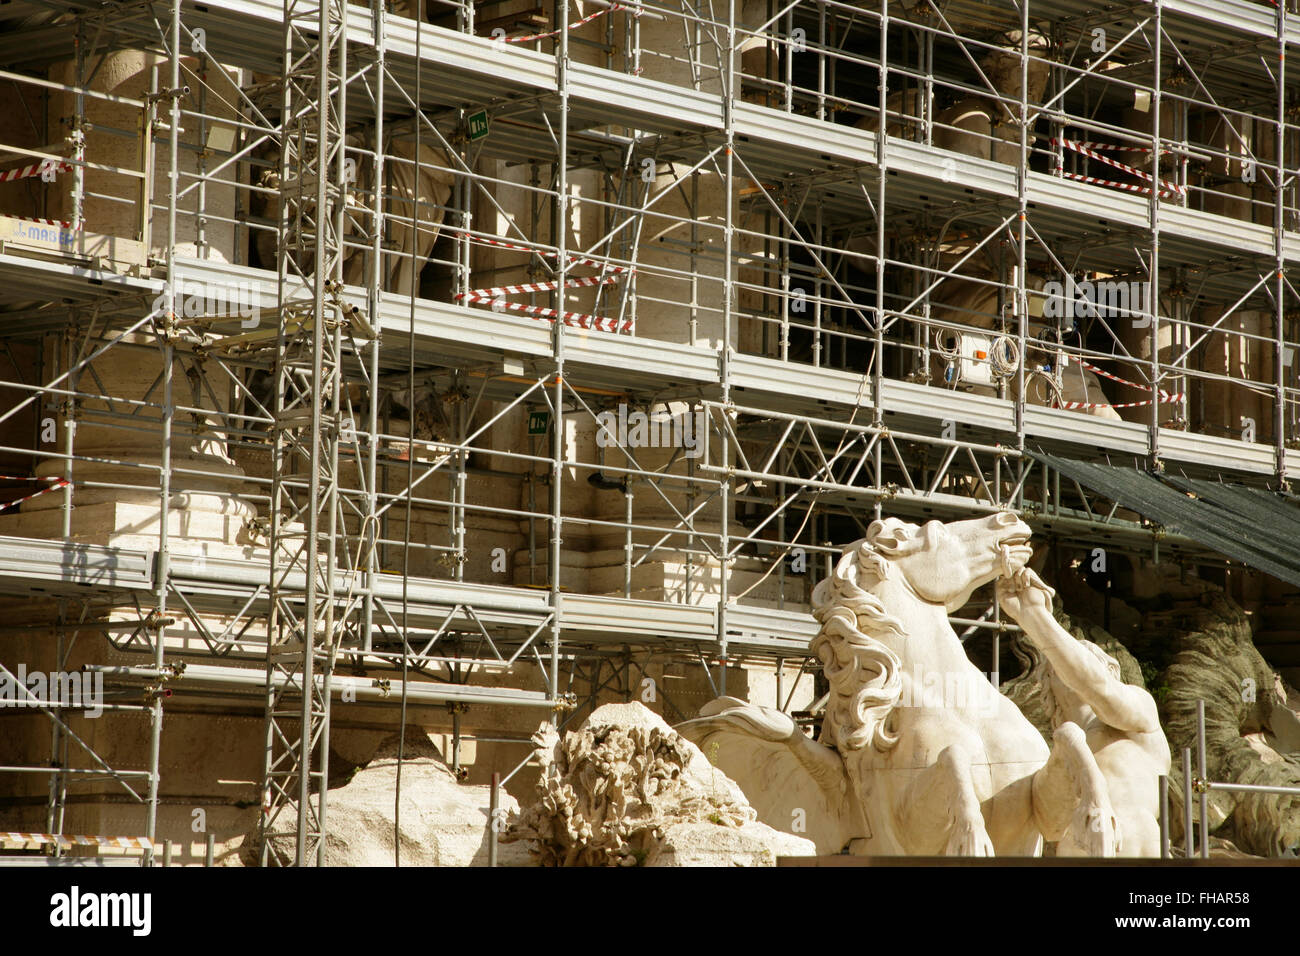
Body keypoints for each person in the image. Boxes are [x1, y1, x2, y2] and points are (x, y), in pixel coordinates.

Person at [997, 566, 1171, 856]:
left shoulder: (1140, 716)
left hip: (1140, 845)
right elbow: (1050, 825)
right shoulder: (1051, 750)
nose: (1066, 666)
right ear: (1048, 682)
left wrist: (1034, 617)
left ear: (1109, 669)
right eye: (1057, 665)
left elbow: (1097, 688)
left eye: (1082, 657)